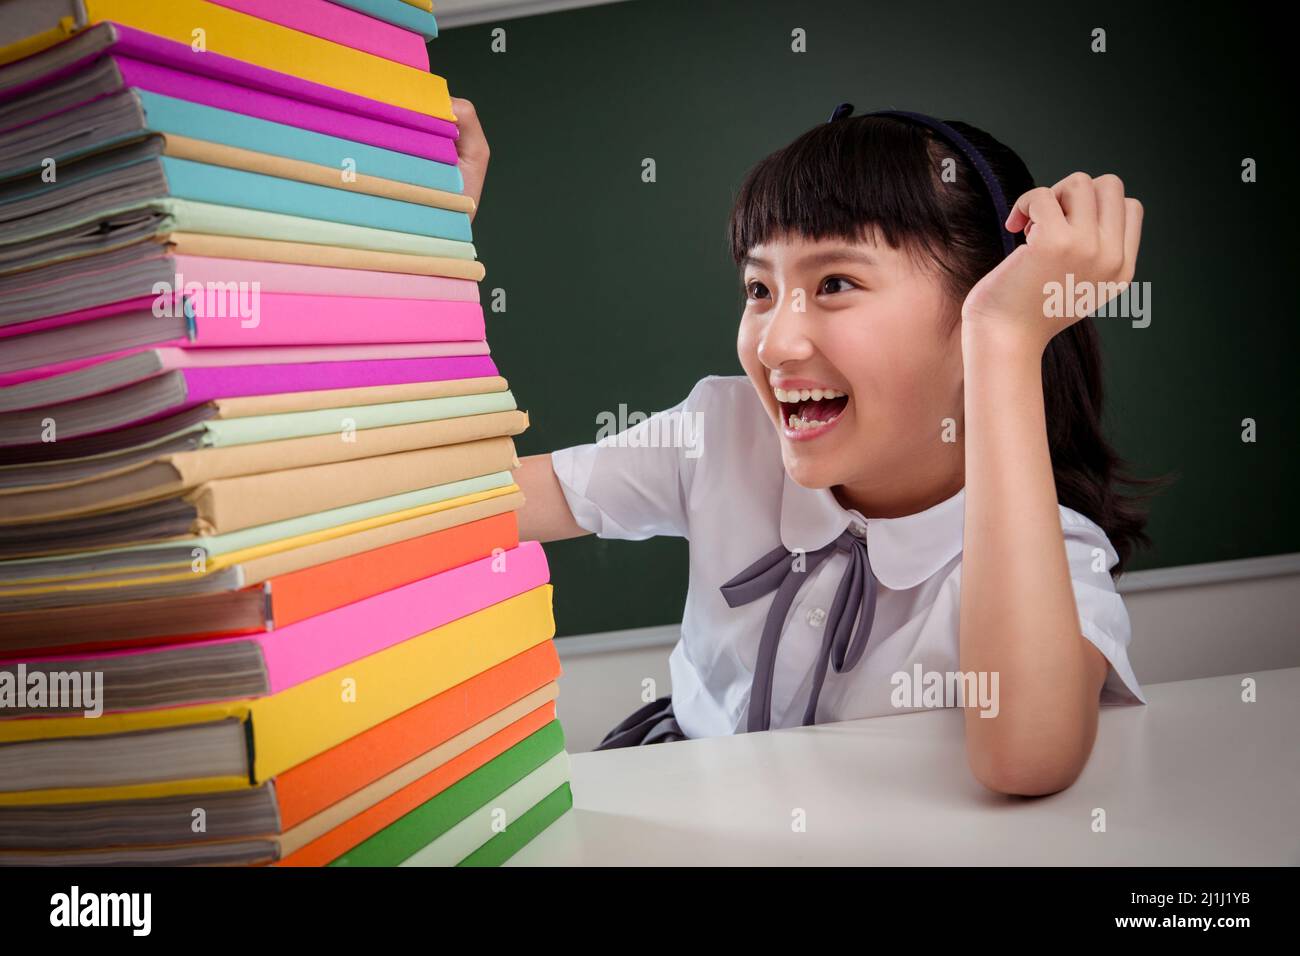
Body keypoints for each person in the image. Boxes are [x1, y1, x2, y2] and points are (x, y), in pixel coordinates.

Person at [449, 96, 1152, 796]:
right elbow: (453, 504)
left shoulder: (1051, 554)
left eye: (836, 283)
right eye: (759, 287)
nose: (776, 345)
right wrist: (421, 252)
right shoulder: (721, 430)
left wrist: (1006, 338)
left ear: (981, 303)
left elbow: (1028, 760)